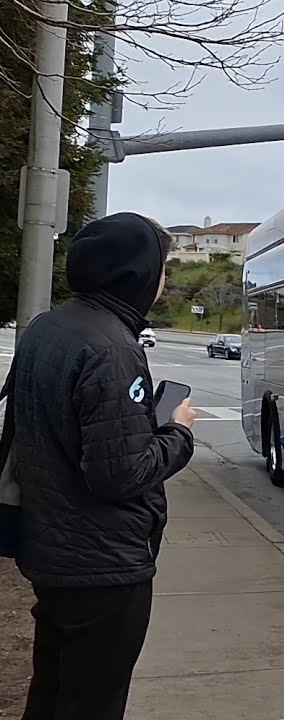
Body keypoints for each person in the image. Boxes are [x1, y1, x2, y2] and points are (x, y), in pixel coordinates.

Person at [9, 212, 197, 720]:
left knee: (53, 690)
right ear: (136, 273)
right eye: (161, 269)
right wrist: (177, 431)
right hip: (104, 563)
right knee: (93, 701)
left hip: (52, 548)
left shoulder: (49, 327)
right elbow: (120, 473)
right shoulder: (111, 348)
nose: (164, 282)